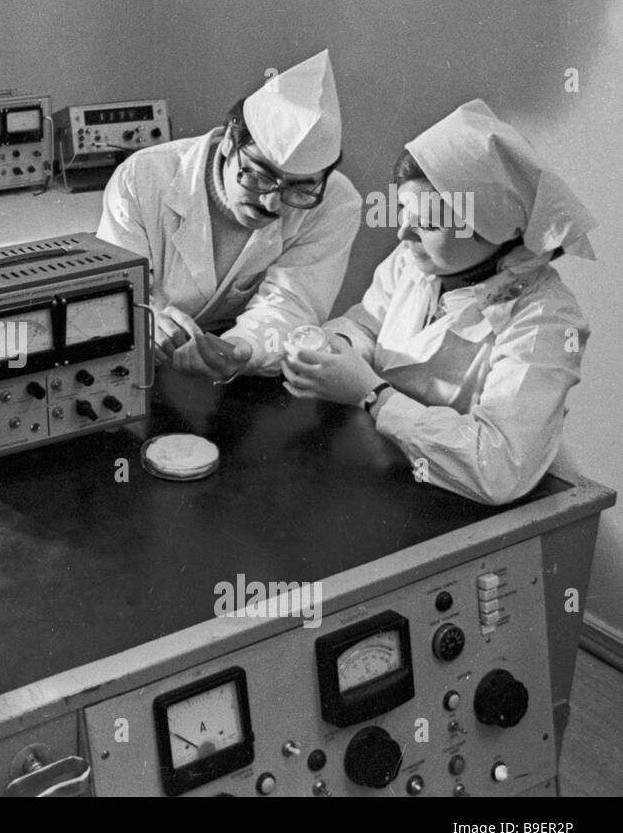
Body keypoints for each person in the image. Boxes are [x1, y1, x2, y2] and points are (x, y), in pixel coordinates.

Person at [282, 99, 596, 505]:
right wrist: (340, 348)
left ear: (493, 230)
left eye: (429, 223)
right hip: (388, 473)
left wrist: (373, 395)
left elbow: (498, 467)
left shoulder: (547, 320)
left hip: (459, 501)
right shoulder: (417, 262)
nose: (403, 234)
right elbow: (367, 323)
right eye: (403, 211)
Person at [96, 50, 362, 382]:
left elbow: (291, 302)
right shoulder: (142, 177)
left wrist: (242, 349)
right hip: (144, 363)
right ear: (228, 143)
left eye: (299, 188)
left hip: (247, 371)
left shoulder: (336, 202)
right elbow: (117, 297)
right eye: (259, 175)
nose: (272, 203)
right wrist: (146, 322)